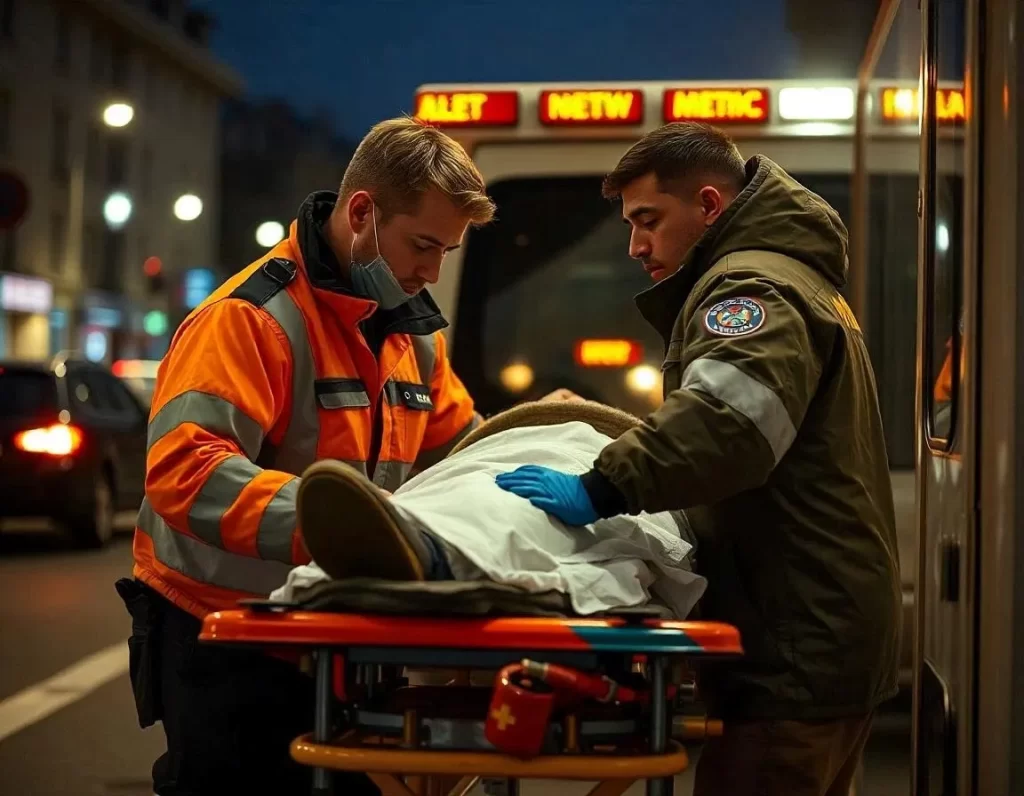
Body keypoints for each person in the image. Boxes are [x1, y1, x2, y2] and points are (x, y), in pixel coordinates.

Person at [496, 123, 902, 796]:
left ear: (710, 206)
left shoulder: (750, 290)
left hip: (795, 641)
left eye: (648, 220)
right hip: (817, 627)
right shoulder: (791, 277)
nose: (636, 246)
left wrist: (603, 486)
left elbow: (730, 423)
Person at [116, 117, 503, 796]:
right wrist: (342, 528)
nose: (431, 273)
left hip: (340, 636)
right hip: (226, 639)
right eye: (422, 245)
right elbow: (186, 470)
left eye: (447, 251)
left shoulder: (412, 339)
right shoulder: (250, 319)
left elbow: (466, 449)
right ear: (361, 213)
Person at [279, 399, 706, 619]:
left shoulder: (608, 451)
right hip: (480, 456)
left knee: (516, 509)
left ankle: (432, 551)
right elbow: (460, 434)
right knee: (459, 490)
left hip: (585, 467)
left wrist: (601, 488)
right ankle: (420, 537)